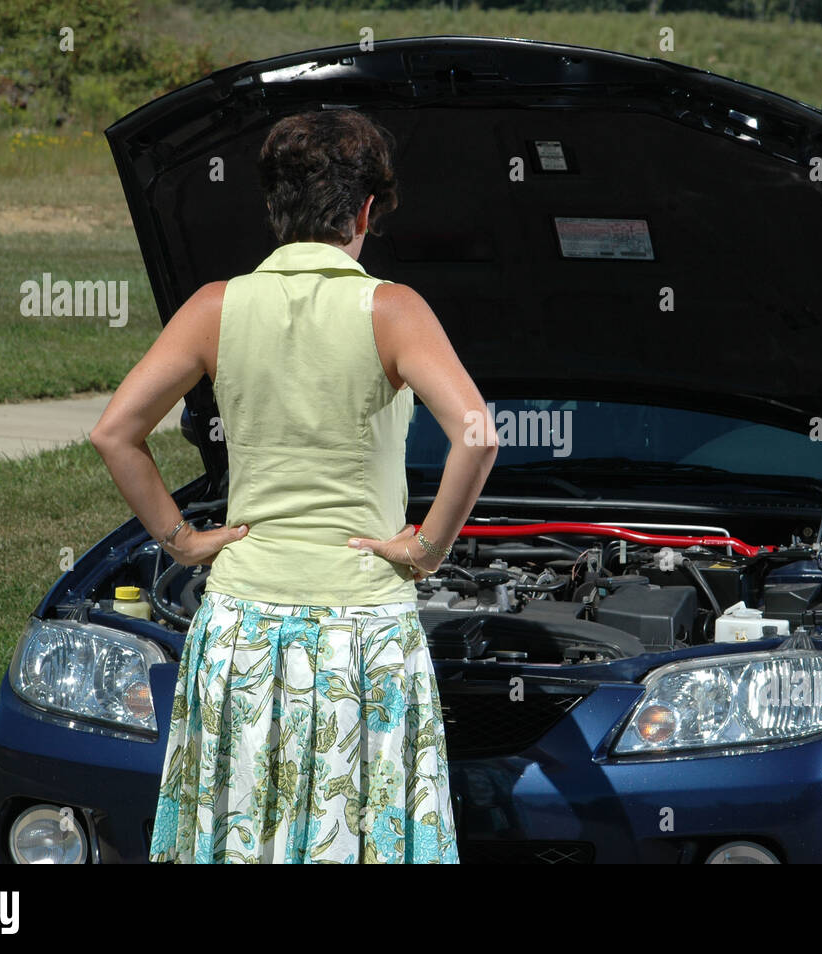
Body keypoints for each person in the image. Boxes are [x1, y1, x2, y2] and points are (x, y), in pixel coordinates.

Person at [88, 108, 497, 863]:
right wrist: (428, 548)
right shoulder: (393, 309)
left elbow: (116, 432)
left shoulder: (215, 306)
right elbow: (477, 434)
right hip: (361, 632)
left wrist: (182, 541)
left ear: (272, 206)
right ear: (367, 209)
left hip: (242, 624)